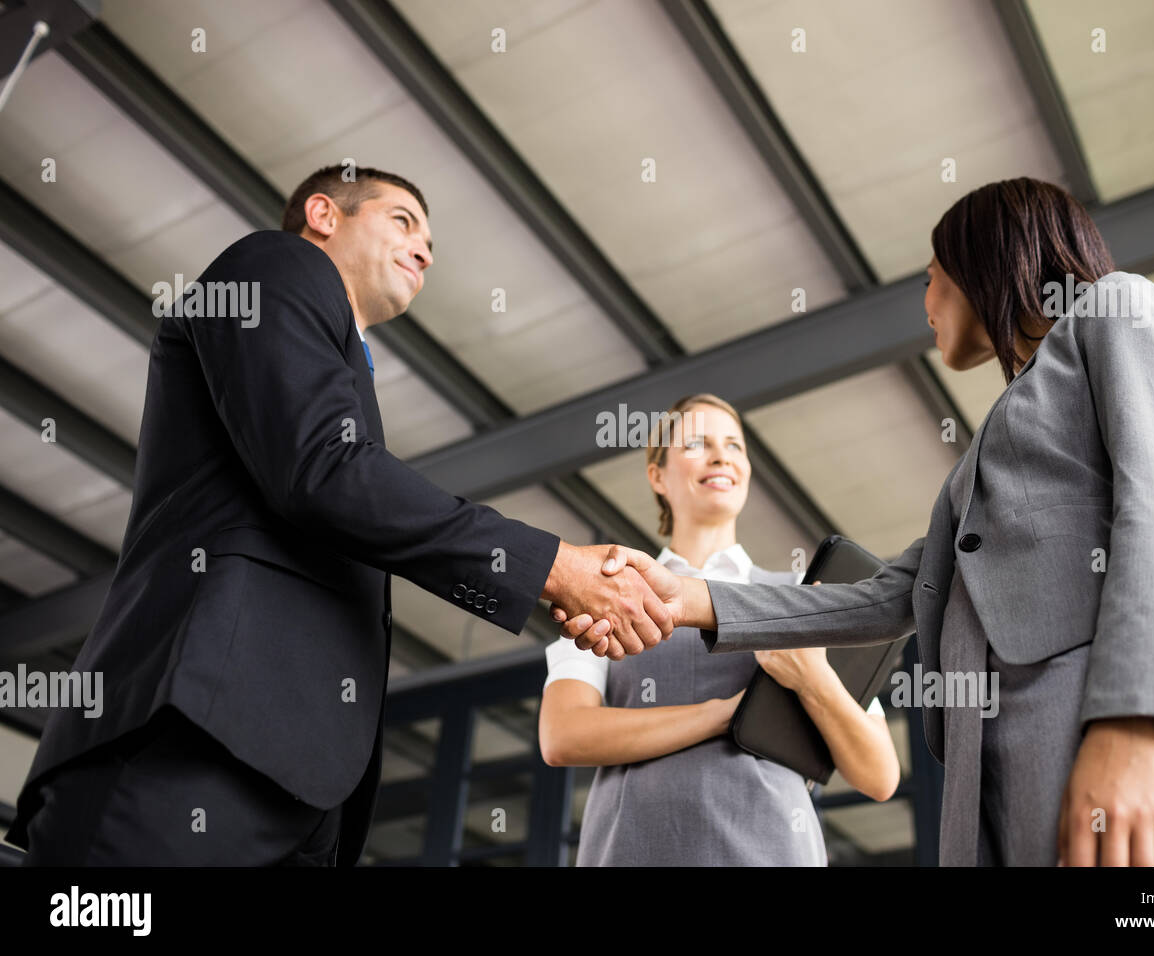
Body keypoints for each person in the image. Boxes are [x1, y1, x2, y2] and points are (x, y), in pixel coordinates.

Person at [556, 178, 1154, 866]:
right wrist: (685, 600)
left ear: (983, 264)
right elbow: (878, 599)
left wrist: (1131, 726)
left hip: (1136, 728)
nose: (926, 301)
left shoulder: (1117, 311)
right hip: (1021, 769)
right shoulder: (972, 473)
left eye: (931, 278)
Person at [6, 164, 672, 866]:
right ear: (325, 214)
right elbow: (324, 471)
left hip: (298, 790)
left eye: (431, 242)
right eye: (403, 221)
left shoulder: (345, 364)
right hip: (198, 738)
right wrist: (553, 567)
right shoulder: (275, 264)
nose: (425, 250)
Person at [540, 394, 899, 865]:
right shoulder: (609, 590)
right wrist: (726, 714)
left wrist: (813, 678)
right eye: (697, 443)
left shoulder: (803, 595)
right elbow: (565, 735)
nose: (721, 456)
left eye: (734, 445)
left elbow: (879, 774)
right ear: (657, 476)